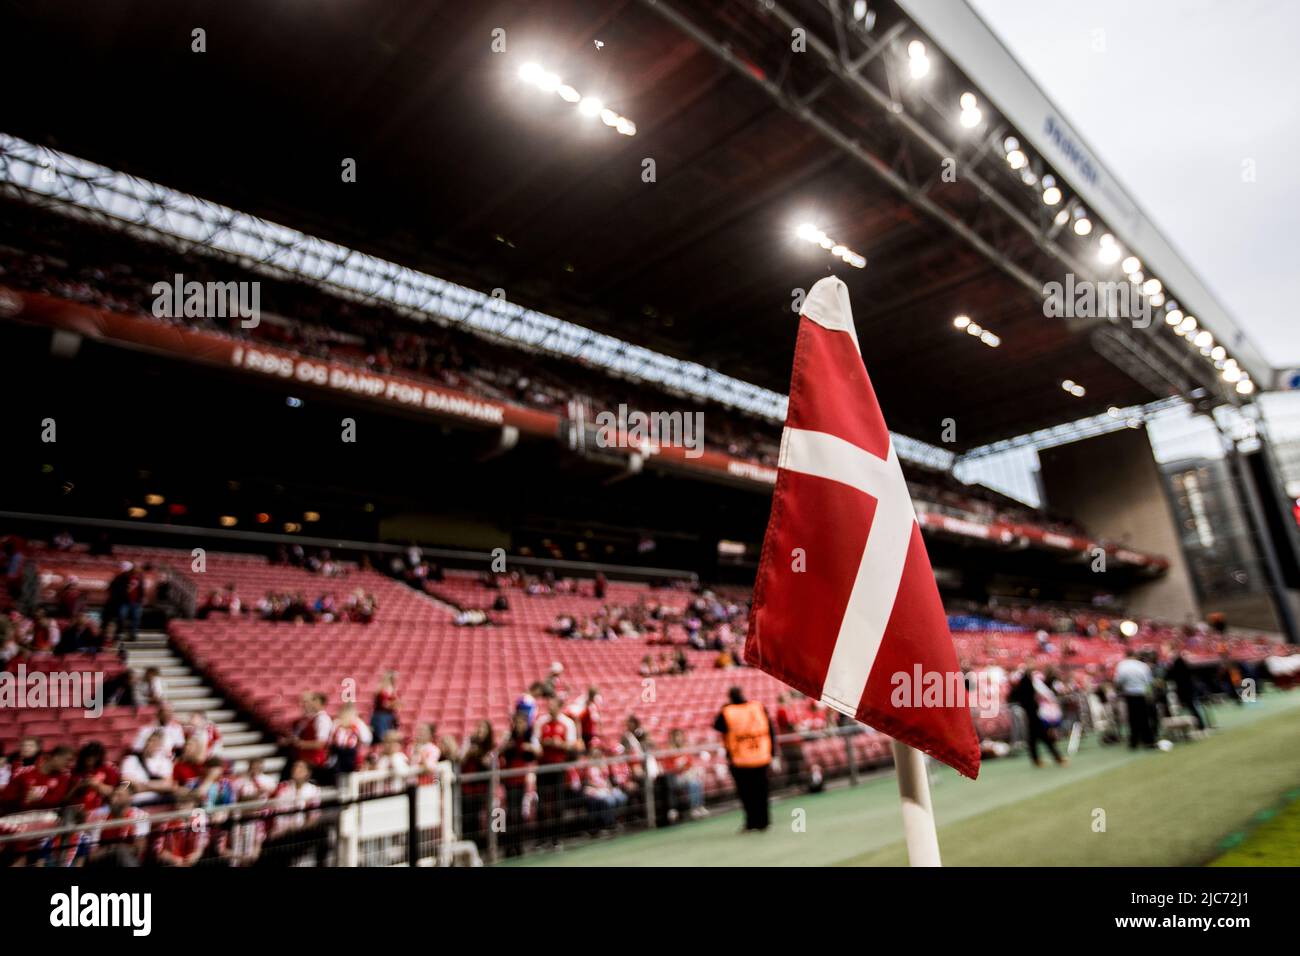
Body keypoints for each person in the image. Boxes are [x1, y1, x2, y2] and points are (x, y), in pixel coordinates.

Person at [713, 686, 774, 832]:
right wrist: (773, 753)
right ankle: (764, 822)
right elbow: (771, 730)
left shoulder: (727, 711)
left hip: (741, 760)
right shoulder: (758, 707)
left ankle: (751, 822)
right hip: (761, 756)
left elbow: (717, 726)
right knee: (762, 792)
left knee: (747, 794)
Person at [532, 698, 579, 844]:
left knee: (558, 801)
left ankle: (557, 837)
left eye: (553, 705)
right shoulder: (541, 722)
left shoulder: (567, 723)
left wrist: (560, 744)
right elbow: (535, 741)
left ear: (559, 706)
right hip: (543, 766)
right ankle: (541, 837)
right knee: (542, 801)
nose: (550, 707)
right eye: (549, 705)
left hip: (559, 767)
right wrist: (540, 745)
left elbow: (572, 745)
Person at [497, 712, 538, 857]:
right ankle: (509, 845)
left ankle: (518, 844)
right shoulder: (509, 737)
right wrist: (507, 746)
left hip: (521, 779)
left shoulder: (529, 737)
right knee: (509, 812)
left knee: (518, 812)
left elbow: (537, 751)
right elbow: (498, 752)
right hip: (509, 779)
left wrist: (530, 748)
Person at [1009, 665, 1067, 766]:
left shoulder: (1023, 685)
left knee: (1033, 738)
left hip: (1031, 714)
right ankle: (1056, 757)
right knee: (1042, 737)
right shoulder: (1026, 684)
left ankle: (1039, 759)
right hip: (1033, 714)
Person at [1114, 647, 1156, 749]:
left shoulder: (1122, 665)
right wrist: (1150, 695)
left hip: (1130, 695)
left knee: (1133, 719)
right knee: (1145, 718)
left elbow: (1118, 681)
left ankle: (1134, 742)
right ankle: (1148, 740)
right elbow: (1149, 682)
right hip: (1142, 694)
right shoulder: (1142, 665)